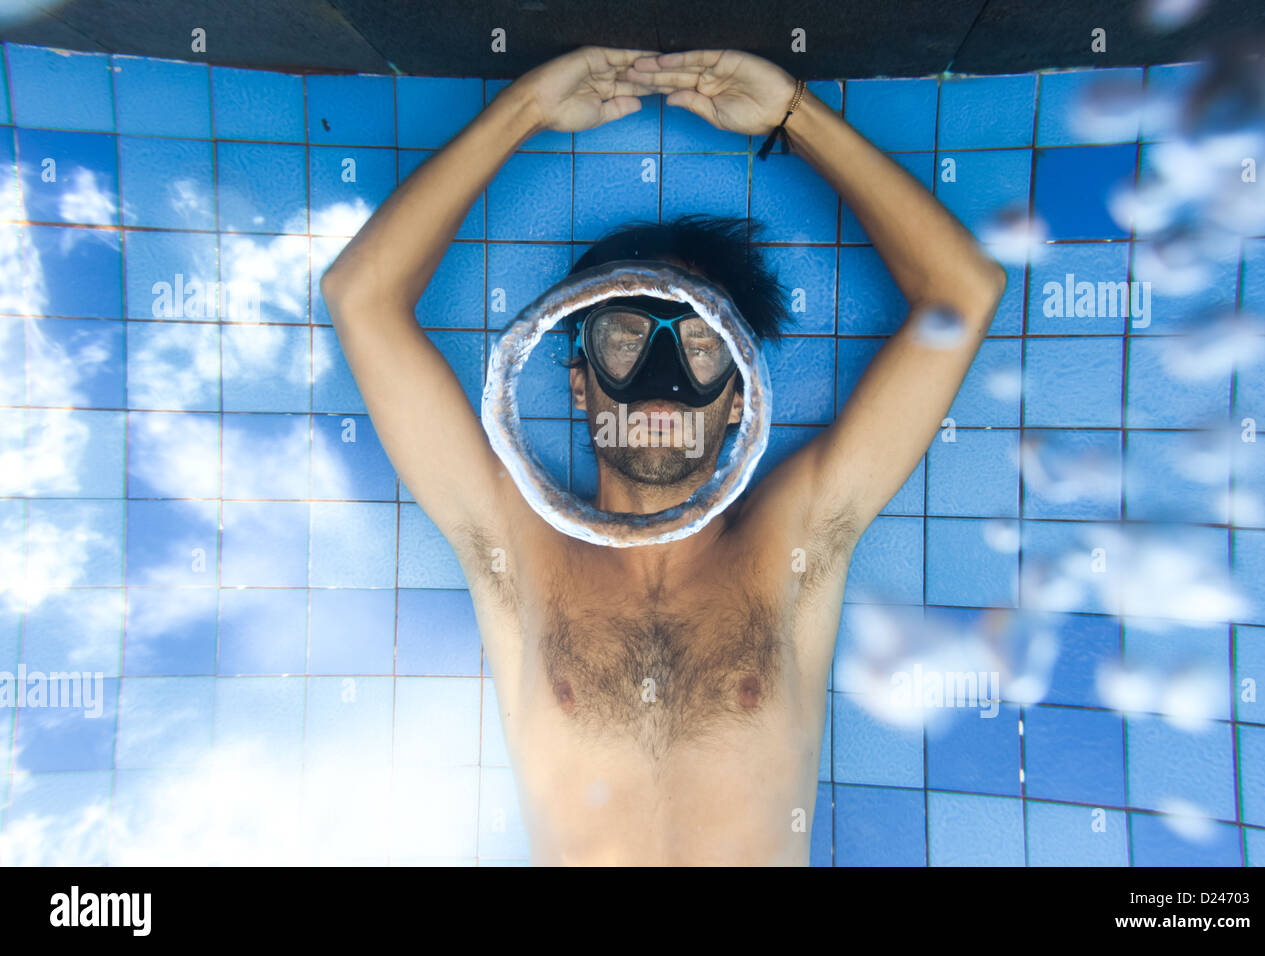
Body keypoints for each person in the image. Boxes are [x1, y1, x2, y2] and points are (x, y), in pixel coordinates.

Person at [321, 46, 1006, 865]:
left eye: (699, 347)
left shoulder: (796, 545)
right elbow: (358, 298)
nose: (659, 385)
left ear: (740, 392)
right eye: (623, 337)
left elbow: (964, 292)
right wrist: (523, 109)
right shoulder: (515, 550)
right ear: (581, 384)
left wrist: (795, 114)